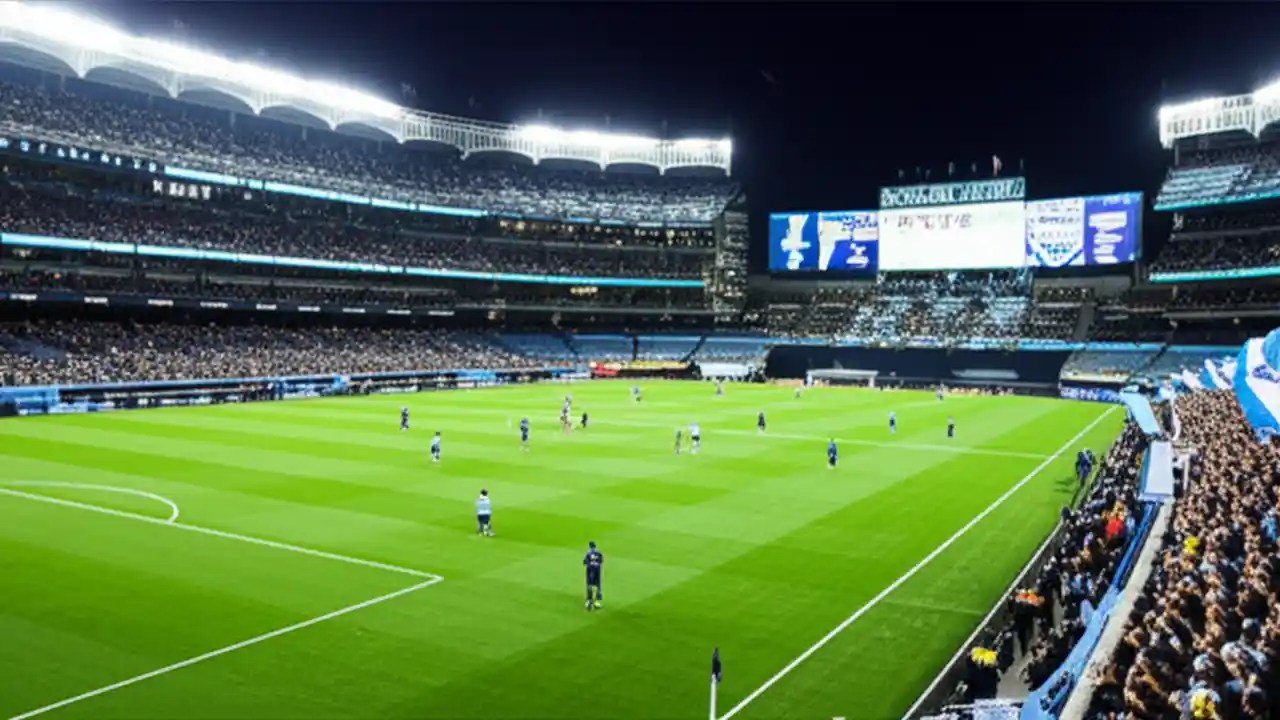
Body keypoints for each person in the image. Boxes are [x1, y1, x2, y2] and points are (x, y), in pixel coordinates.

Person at [583, 540, 604, 610]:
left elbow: (585, 562)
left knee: (589, 585)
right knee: (598, 585)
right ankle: (597, 601)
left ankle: (589, 600)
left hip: (590, 571)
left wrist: (590, 563)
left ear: (589, 546)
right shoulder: (599, 553)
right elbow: (601, 561)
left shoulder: (588, 553)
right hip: (597, 571)